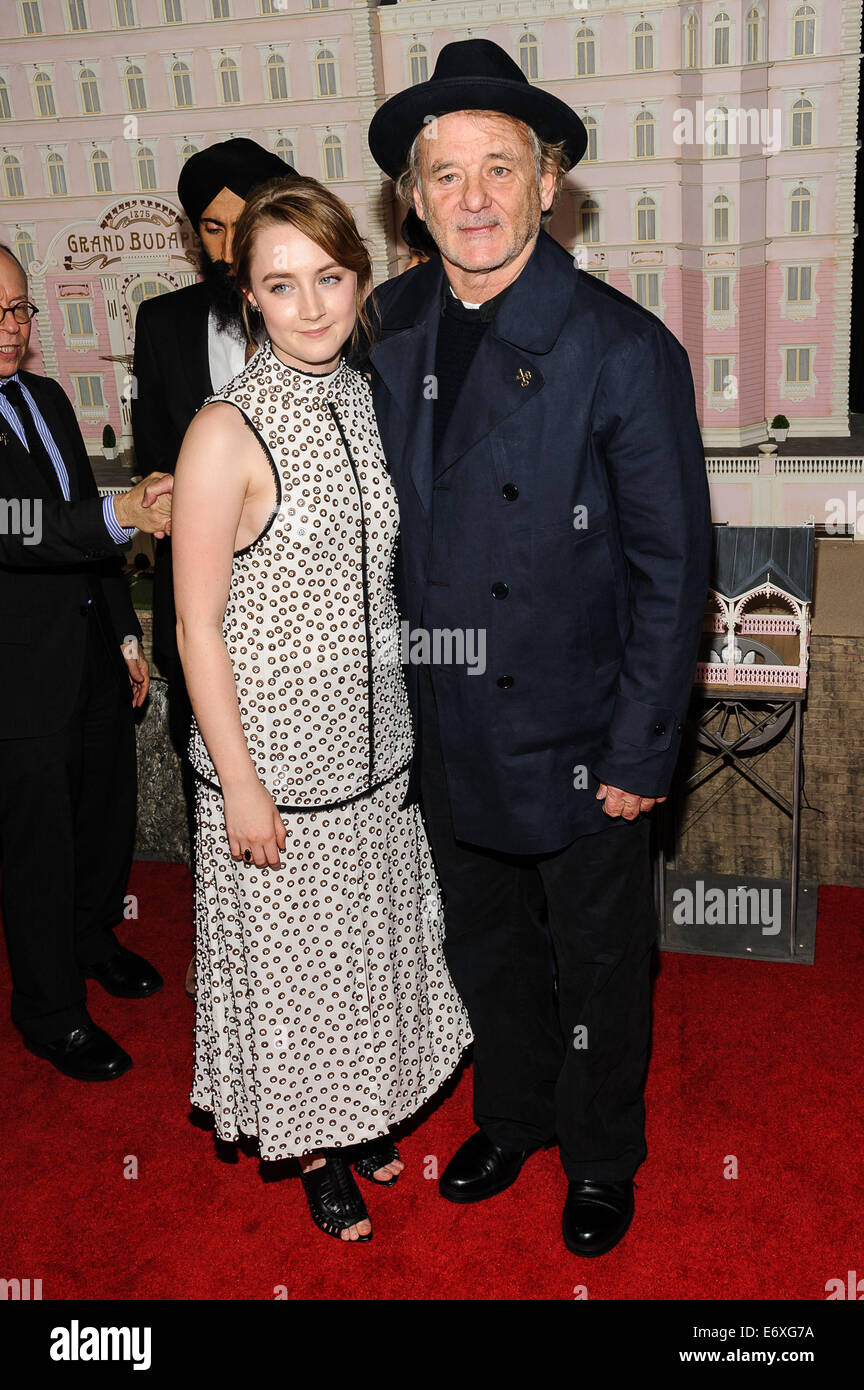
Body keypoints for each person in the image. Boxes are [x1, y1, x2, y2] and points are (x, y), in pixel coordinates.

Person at [364, 40, 713, 1257]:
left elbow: (676, 572)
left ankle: (602, 1151)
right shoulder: (386, 325)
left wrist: (641, 749)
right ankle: (511, 1114)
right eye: (445, 173)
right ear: (411, 197)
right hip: (444, 721)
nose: (472, 198)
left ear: (548, 182)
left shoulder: (621, 347)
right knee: (485, 940)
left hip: (579, 732)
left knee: (602, 962)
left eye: (498, 169)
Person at [170, 177, 471, 1243]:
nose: (311, 307)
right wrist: (240, 784)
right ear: (247, 296)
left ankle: (361, 1111)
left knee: (365, 953)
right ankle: (313, 1148)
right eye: (281, 285)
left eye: (330, 278)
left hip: (377, 751)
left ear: (359, 276)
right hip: (278, 769)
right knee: (298, 977)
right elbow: (195, 625)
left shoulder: (364, 393)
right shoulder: (224, 431)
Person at [0, 244, 173, 1081]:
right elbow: (22, 529)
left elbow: (81, 533)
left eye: (21, 309)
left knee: (105, 809)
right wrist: (124, 510)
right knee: (36, 848)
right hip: (16, 681)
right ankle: (49, 1011)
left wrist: (125, 636)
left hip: (91, 653)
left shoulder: (46, 396)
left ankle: (93, 936)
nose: (13, 327)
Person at [132, 138, 300, 996]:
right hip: (204, 596)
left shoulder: (317, 309)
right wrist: (168, 484)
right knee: (213, 782)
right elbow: (153, 451)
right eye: (213, 228)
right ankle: (226, 953)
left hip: (303, 615)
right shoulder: (162, 323)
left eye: (247, 223)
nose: (232, 244)